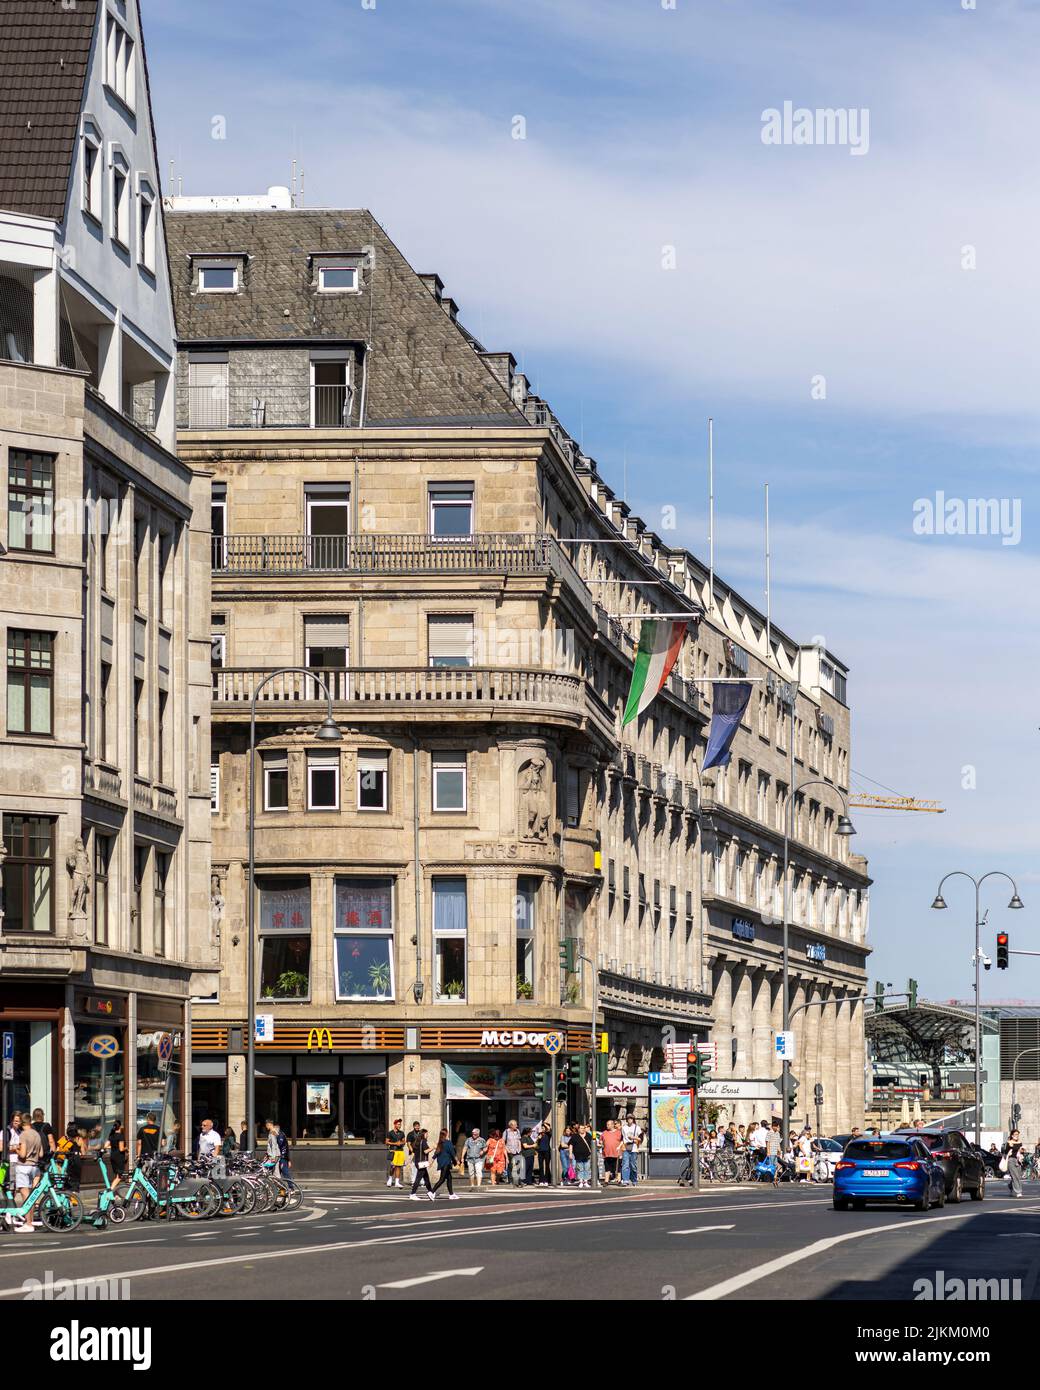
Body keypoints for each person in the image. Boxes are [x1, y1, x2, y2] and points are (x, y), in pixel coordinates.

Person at [13, 1120, 42, 1231]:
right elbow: (41, 1154)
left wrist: (16, 1149)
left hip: (24, 1167)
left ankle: (28, 1224)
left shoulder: (24, 1135)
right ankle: (30, 1221)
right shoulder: (36, 1134)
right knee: (31, 1196)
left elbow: (23, 1154)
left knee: (26, 1196)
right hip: (34, 1167)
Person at [431, 1128, 459, 1200]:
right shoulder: (448, 1142)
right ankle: (432, 1192)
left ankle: (451, 1194)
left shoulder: (440, 1143)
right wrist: (457, 1161)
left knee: (449, 1178)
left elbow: (436, 1154)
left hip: (441, 1163)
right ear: (446, 1134)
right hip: (446, 1163)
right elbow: (452, 1153)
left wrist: (431, 1161)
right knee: (442, 1179)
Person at [409, 1128, 434, 1200]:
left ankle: (431, 1192)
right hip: (422, 1163)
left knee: (426, 1178)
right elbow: (426, 1151)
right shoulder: (423, 1141)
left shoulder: (417, 1141)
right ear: (424, 1134)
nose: (428, 1135)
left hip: (418, 1162)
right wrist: (433, 1148)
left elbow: (414, 1150)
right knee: (418, 1178)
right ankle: (412, 1194)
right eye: (427, 1134)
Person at [31, 1109, 56, 1176]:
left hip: (34, 1154)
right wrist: (54, 1152)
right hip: (45, 1154)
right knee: (45, 1172)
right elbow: (51, 1140)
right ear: (42, 1116)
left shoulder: (31, 1126)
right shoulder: (46, 1126)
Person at [620, 1113, 642, 1186]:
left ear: (633, 1119)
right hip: (626, 1146)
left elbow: (640, 1138)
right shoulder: (624, 1128)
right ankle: (625, 1180)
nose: (630, 1120)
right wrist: (621, 1146)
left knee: (633, 1165)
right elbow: (622, 1138)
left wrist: (633, 1138)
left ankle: (634, 1180)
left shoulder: (637, 1127)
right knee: (625, 1164)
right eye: (628, 1118)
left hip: (634, 1147)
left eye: (631, 1118)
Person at [385, 1118, 406, 1188]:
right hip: (393, 1151)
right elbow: (387, 1142)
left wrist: (401, 1143)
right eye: (398, 1124)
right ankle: (390, 1179)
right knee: (393, 1166)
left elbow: (404, 1141)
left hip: (400, 1151)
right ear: (395, 1125)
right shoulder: (390, 1133)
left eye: (400, 1124)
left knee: (399, 1166)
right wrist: (395, 1143)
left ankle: (397, 1182)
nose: (399, 1125)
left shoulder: (402, 1133)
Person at [1003, 1129, 1025, 1198]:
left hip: (1018, 1160)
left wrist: (1022, 1151)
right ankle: (1018, 1192)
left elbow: (1021, 1152)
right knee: (1015, 1176)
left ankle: (1011, 1186)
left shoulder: (1020, 1142)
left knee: (1018, 1176)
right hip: (1011, 1160)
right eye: (1015, 1134)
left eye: (1018, 1134)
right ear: (1012, 1135)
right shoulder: (1009, 1142)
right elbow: (1005, 1152)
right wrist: (1010, 1146)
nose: (1017, 1136)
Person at [105, 1121, 127, 1189]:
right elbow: (121, 1149)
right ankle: (110, 1191)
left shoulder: (111, 1136)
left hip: (113, 1157)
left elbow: (105, 1146)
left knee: (117, 1176)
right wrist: (126, 1148)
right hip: (119, 1157)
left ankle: (114, 1194)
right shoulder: (120, 1136)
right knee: (119, 1177)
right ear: (120, 1127)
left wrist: (114, 1147)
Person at [571, 1123, 593, 1188]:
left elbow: (592, 1144)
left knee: (587, 1168)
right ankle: (581, 1181)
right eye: (581, 1128)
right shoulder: (575, 1136)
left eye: (583, 1128)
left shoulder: (588, 1135)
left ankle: (585, 1181)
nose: (582, 1129)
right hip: (578, 1155)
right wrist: (570, 1153)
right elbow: (571, 1145)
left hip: (587, 1155)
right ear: (578, 1129)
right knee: (580, 1168)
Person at [601, 1119, 623, 1184]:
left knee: (617, 1168)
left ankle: (619, 1181)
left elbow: (622, 1141)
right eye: (607, 1124)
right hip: (607, 1153)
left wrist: (620, 1148)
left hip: (616, 1153)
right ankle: (606, 1181)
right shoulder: (604, 1133)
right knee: (607, 1168)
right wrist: (600, 1144)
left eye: (608, 1124)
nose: (607, 1126)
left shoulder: (619, 1132)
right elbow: (601, 1141)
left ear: (613, 1125)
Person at [504, 1119, 524, 1186]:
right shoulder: (506, 1132)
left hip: (517, 1150)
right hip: (510, 1151)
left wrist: (520, 1149)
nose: (517, 1126)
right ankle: (510, 1180)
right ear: (511, 1125)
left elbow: (519, 1140)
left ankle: (519, 1181)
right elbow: (503, 1142)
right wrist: (507, 1150)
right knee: (511, 1166)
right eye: (515, 1125)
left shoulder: (517, 1131)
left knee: (518, 1165)